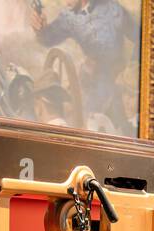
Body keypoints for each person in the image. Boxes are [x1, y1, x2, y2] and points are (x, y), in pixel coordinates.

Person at [30, 0, 135, 133]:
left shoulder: (113, 11)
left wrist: (130, 71)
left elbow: (141, 39)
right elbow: (48, 38)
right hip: (90, 80)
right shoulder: (68, 17)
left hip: (116, 83)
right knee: (78, 121)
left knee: (119, 127)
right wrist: (40, 29)